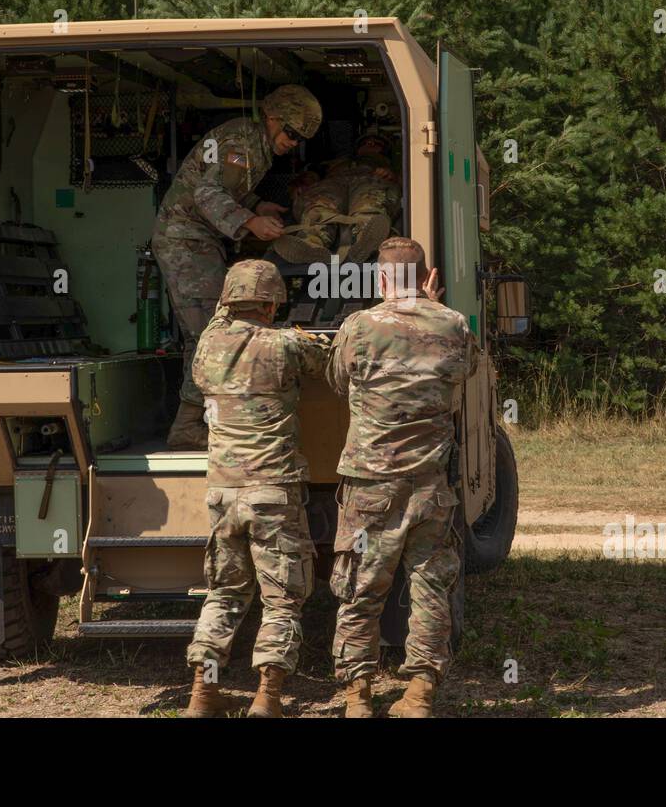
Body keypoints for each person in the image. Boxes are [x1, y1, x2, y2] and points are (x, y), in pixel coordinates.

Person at [325, 237, 480, 717]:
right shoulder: (453, 324)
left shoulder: (359, 326)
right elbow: (466, 369)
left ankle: (358, 696)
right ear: (428, 276)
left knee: (360, 589)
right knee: (430, 585)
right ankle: (420, 694)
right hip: (432, 486)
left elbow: (337, 380)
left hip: (370, 486)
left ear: (382, 278)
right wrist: (433, 308)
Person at [181, 259, 329, 718]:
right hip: (272, 491)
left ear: (227, 300)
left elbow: (223, 323)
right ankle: (268, 698)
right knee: (282, 597)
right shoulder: (284, 344)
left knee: (224, 594)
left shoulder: (205, 345)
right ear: (271, 303)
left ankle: (202, 696)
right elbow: (332, 362)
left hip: (223, 493)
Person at [152, 85, 322, 449]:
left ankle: (196, 422)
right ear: (274, 119)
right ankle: (187, 427)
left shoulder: (253, 144)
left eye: (301, 138)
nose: (294, 142)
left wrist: (258, 205)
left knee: (208, 332)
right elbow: (206, 195)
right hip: (186, 241)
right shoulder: (243, 143)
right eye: (292, 133)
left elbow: (222, 186)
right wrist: (249, 222)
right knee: (207, 336)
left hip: (200, 241)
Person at [273, 133, 399, 264]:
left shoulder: (390, 164)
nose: (370, 144)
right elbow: (312, 174)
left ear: (385, 151)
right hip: (333, 183)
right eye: (366, 142)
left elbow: (411, 181)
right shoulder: (336, 162)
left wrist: (392, 175)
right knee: (319, 205)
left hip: (370, 180)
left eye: (377, 143)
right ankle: (311, 243)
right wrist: (303, 182)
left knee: (370, 203)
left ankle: (365, 240)